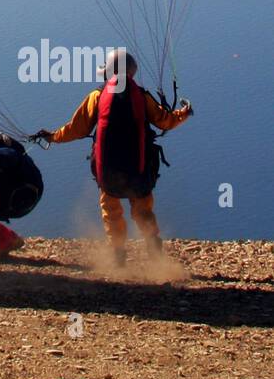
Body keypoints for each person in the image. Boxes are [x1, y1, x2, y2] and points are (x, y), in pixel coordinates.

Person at [35, 48, 191, 265]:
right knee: (142, 208)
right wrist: (184, 113)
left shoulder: (97, 97)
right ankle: (153, 243)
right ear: (132, 72)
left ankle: (118, 252)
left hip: (109, 174)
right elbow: (165, 121)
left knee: (111, 209)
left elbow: (77, 129)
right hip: (139, 171)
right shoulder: (142, 97)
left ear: (108, 73)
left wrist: (53, 137)